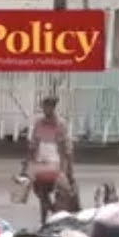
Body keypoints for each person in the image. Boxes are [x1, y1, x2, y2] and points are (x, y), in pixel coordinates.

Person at [25, 96, 73, 225]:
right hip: (40, 163)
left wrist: (68, 169)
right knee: (41, 194)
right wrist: (27, 162)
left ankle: (52, 216)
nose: (46, 109)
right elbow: (33, 144)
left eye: (49, 107)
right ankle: (46, 218)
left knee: (58, 194)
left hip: (56, 165)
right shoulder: (39, 123)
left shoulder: (60, 124)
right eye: (44, 106)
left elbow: (66, 147)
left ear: (53, 107)